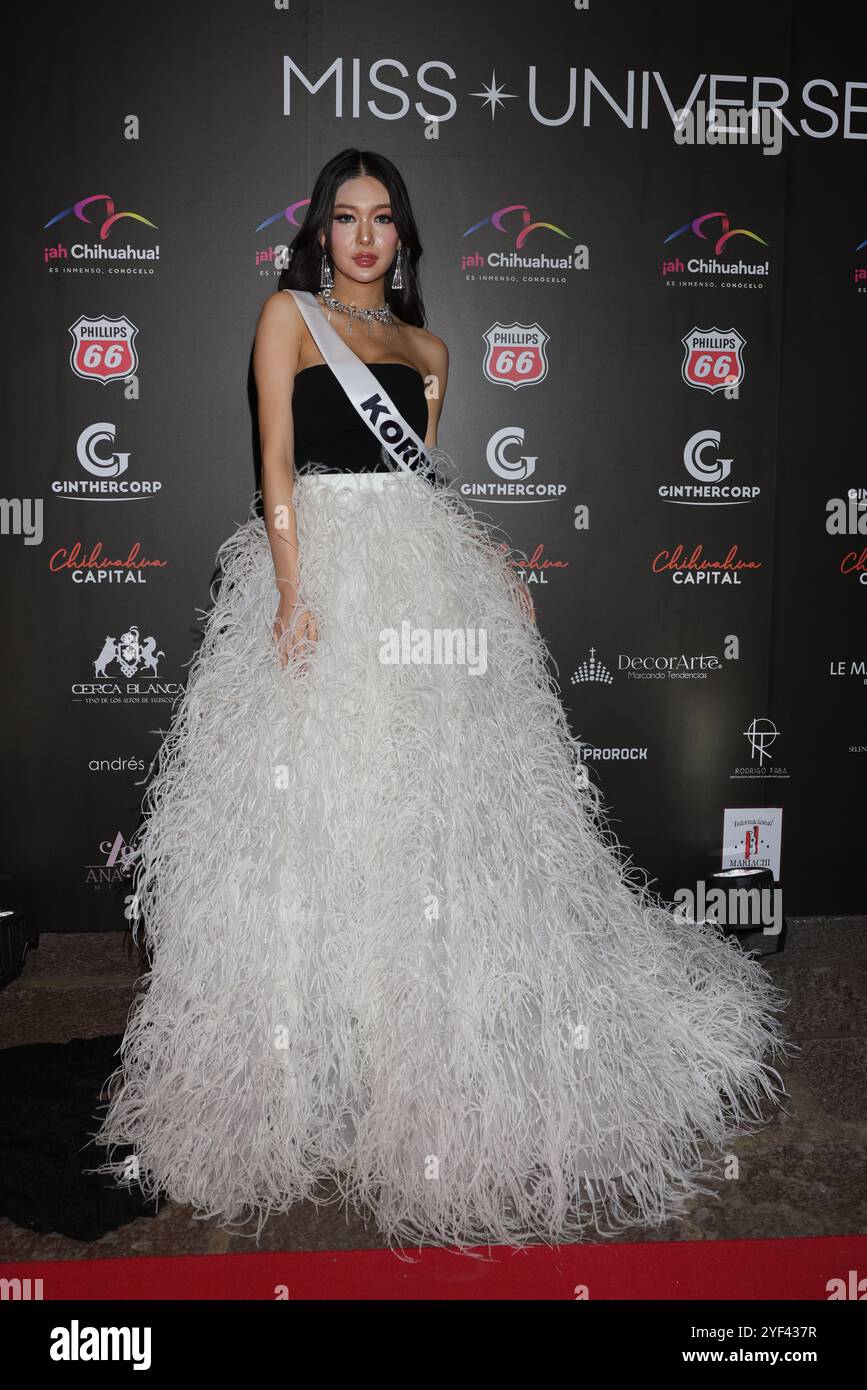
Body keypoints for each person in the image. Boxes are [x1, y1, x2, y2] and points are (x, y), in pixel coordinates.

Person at [88, 148, 793, 1252]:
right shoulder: (287, 320)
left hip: (421, 579)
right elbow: (273, 464)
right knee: (318, 814)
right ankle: (316, 1058)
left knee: (426, 815)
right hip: (321, 572)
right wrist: (290, 593)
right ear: (321, 231)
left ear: (403, 237)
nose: (365, 236)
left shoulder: (428, 349)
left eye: (383, 219)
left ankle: (423, 1054)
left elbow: (416, 480)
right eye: (346, 217)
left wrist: (490, 565)